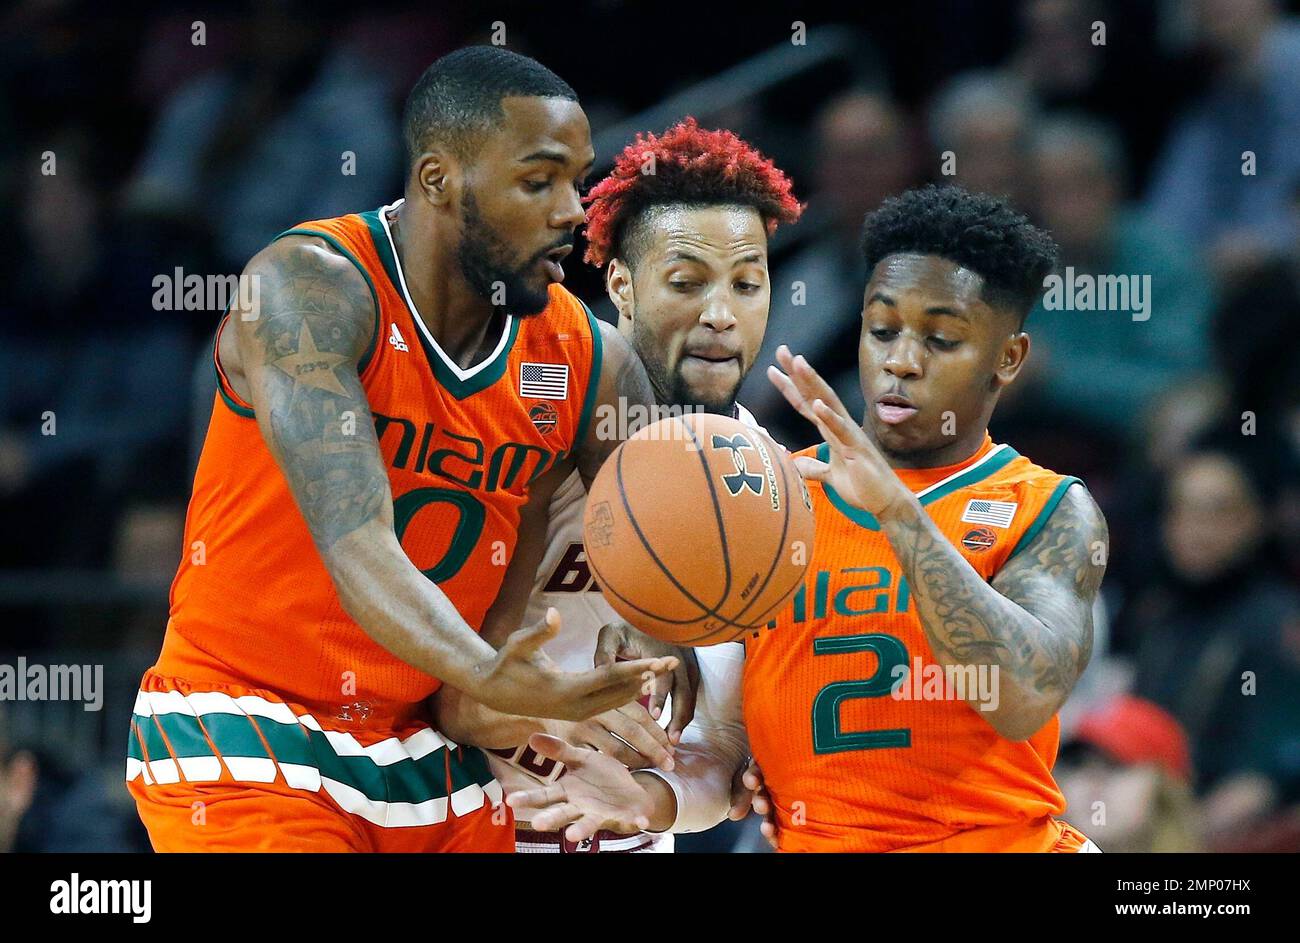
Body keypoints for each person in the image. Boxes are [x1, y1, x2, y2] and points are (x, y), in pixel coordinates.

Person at [126, 45, 676, 853]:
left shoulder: (590, 363)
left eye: (577, 179)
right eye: (538, 181)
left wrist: (665, 656)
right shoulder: (308, 287)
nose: (573, 211)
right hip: (248, 727)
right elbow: (358, 545)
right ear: (438, 180)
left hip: (427, 756)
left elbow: (674, 561)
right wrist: (489, 673)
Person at [511, 186, 1108, 853]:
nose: (901, 361)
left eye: (940, 339)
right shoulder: (770, 497)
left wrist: (898, 514)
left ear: (1008, 358)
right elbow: (726, 747)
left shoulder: (1048, 506)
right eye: (882, 329)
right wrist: (652, 799)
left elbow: (1024, 693)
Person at [434, 118, 802, 853]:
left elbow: (718, 758)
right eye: (687, 282)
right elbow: (426, 687)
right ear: (623, 287)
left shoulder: (766, 478)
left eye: (748, 283)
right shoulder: (524, 419)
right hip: (459, 826)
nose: (721, 315)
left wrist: (650, 798)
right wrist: (550, 708)